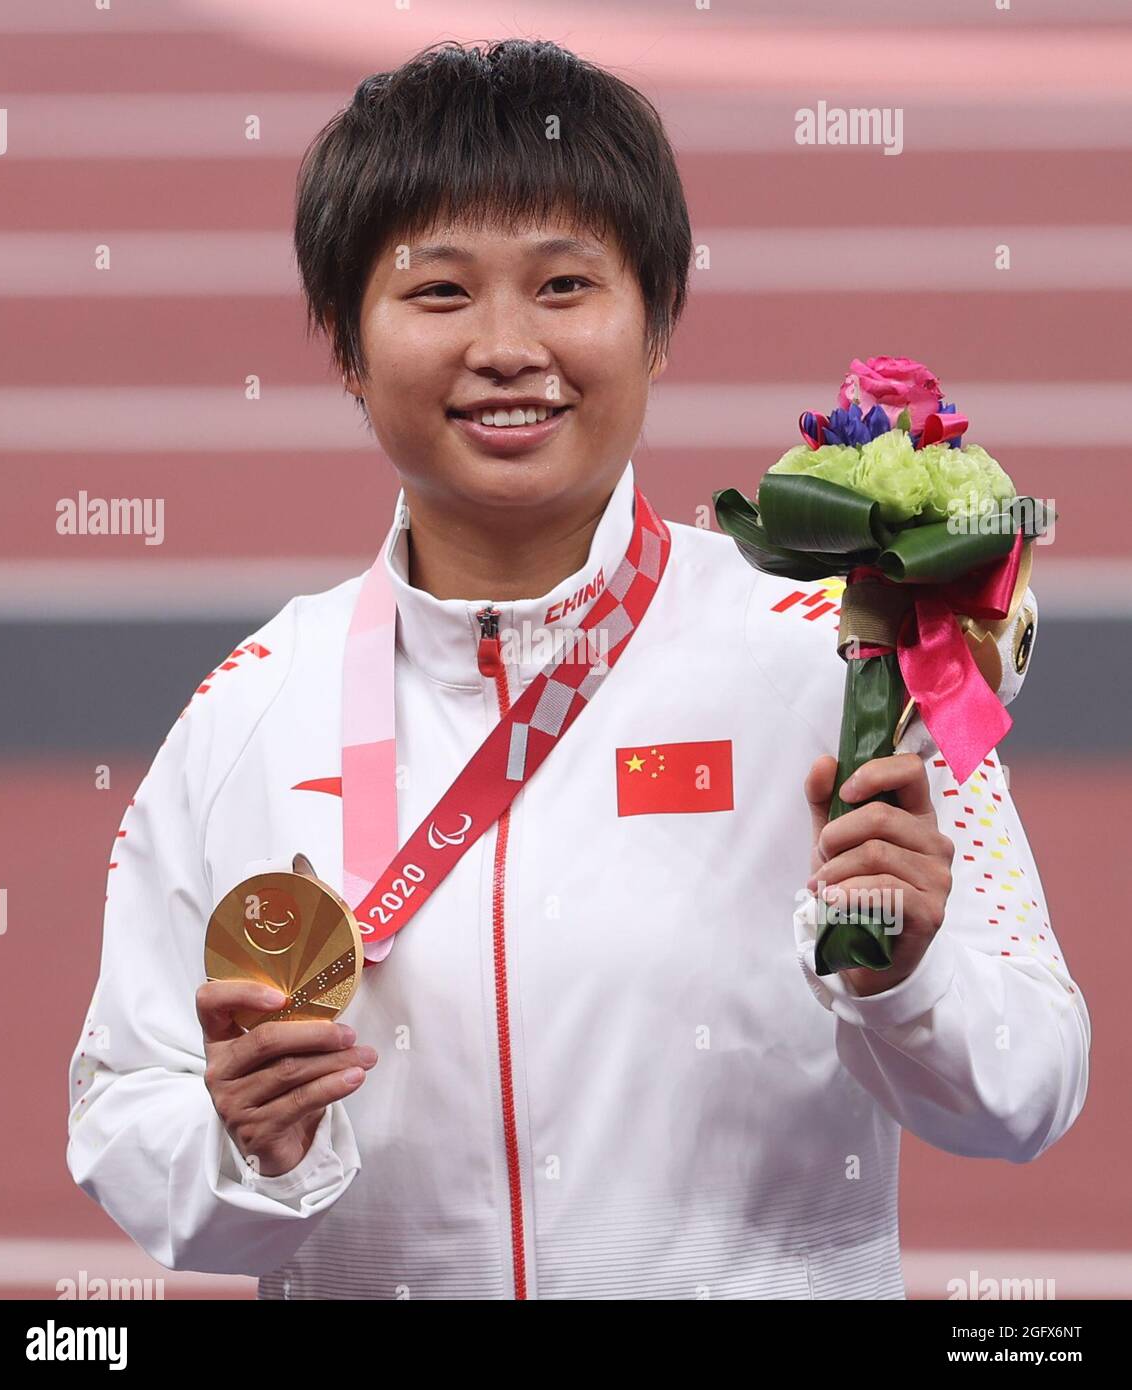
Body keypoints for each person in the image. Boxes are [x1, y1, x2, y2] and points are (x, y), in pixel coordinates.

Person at [66, 38, 1090, 1301]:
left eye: (564, 286)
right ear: (343, 342)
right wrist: (242, 1147)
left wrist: (908, 978)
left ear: (656, 324)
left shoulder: (847, 657)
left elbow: (1033, 1085)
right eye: (438, 293)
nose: (505, 346)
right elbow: (124, 1108)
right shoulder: (250, 711)